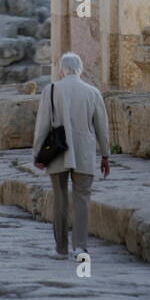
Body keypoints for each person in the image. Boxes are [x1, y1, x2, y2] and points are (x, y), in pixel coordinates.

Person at [32, 52, 110, 260]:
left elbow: (42, 125)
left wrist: (37, 153)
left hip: (58, 152)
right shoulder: (93, 92)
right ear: (80, 69)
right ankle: (80, 247)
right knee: (82, 199)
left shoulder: (51, 90)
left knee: (60, 200)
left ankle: (61, 249)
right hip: (84, 151)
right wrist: (105, 155)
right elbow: (102, 127)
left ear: (61, 70)